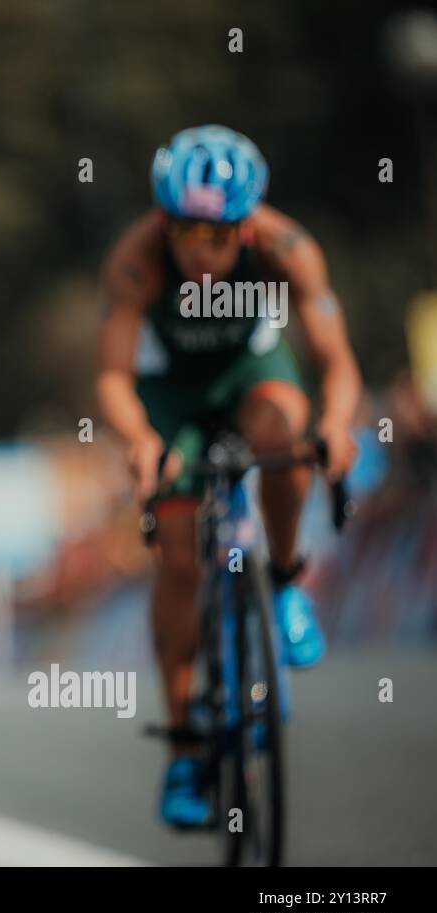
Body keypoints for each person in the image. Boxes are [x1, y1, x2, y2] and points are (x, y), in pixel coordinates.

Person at [95, 125, 361, 827]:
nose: (201, 249)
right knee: (178, 561)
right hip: (170, 392)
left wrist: (335, 425)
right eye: (186, 229)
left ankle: (284, 578)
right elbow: (113, 376)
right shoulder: (136, 260)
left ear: (247, 225)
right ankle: (184, 748)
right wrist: (141, 439)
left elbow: (335, 361)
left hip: (250, 375)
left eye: (220, 234)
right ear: (163, 219)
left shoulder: (288, 249)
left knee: (284, 431)